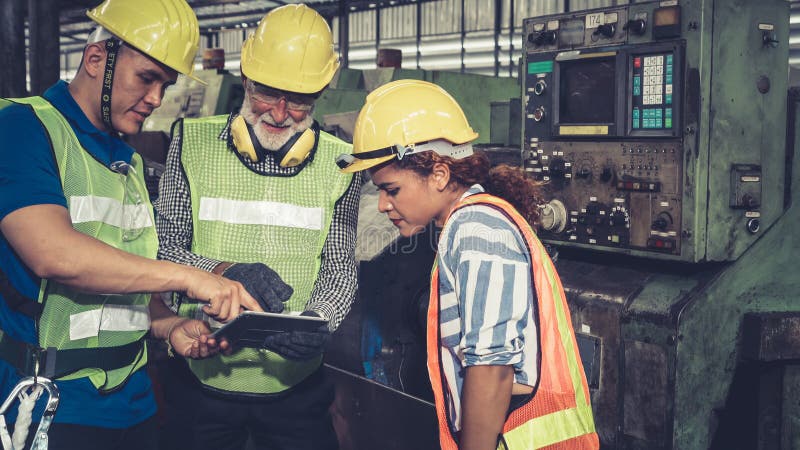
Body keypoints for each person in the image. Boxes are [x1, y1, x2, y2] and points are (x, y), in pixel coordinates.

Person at [0, 0, 264, 448]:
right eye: (146, 78)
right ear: (95, 59)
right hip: (50, 407)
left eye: (166, 85)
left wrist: (168, 325)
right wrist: (190, 276)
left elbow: (127, 281)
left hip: (136, 405)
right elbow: (54, 254)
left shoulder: (128, 161)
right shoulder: (23, 127)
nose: (156, 99)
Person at [337, 79, 599, 450]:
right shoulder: (464, 226)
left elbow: (492, 370)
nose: (382, 205)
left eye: (391, 189)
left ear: (439, 175)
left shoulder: (476, 230)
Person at [154, 4, 359, 450]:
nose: (280, 114)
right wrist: (222, 272)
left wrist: (318, 320)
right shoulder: (191, 143)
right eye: (267, 93)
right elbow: (163, 247)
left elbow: (340, 267)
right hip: (200, 379)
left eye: (299, 100)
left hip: (296, 392)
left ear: (322, 91)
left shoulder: (341, 164)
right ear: (246, 78)